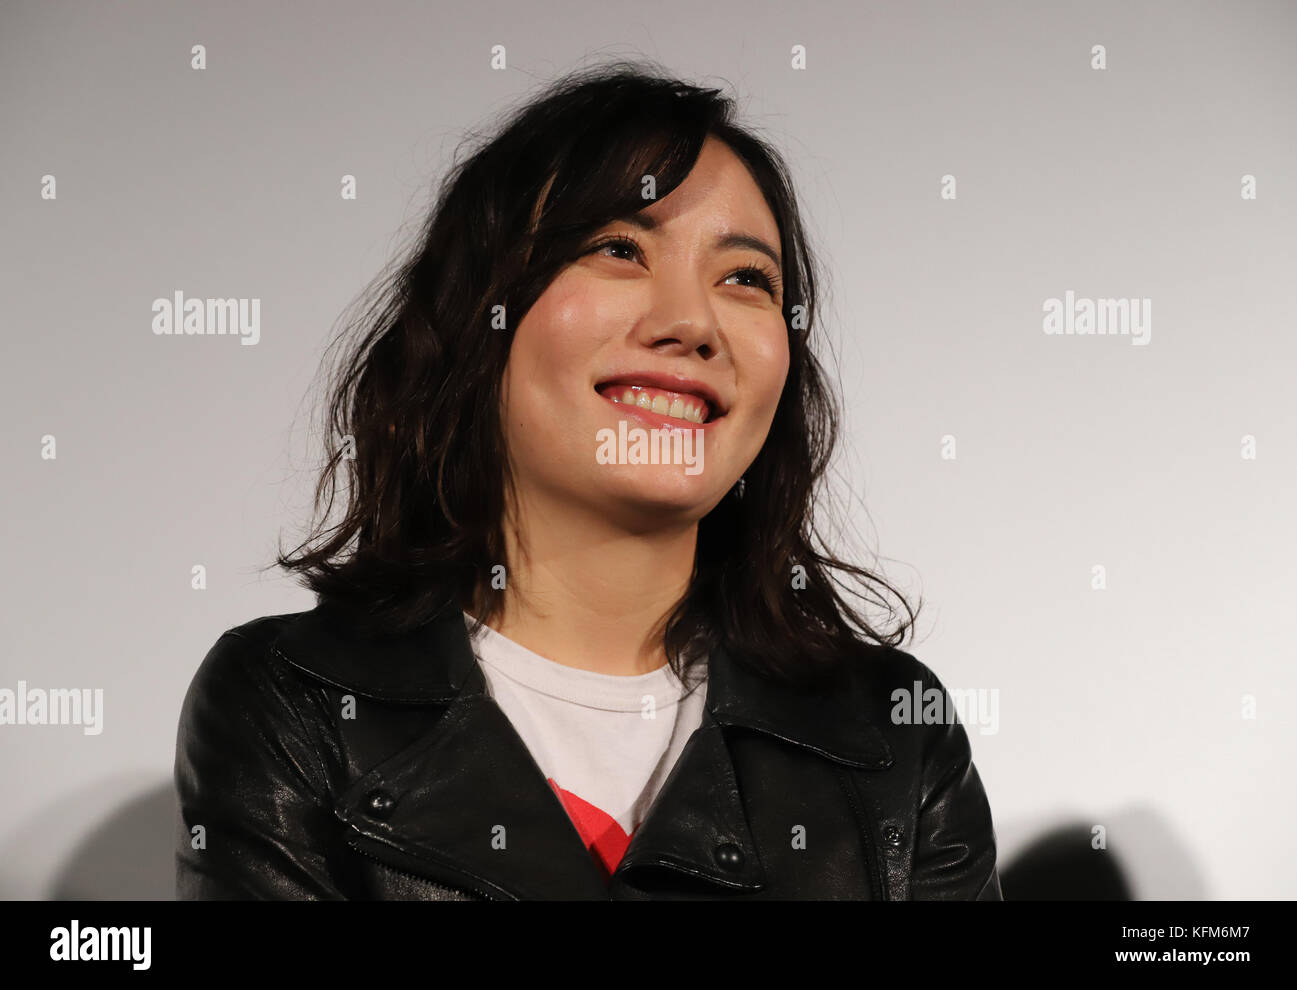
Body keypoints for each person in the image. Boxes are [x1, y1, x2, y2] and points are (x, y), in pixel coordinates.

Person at [173, 60, 1003, 900]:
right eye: (618, 248)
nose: (691, 323)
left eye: (747, 279)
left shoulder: (891, 733)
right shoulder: (298, 701)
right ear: (479, 318)